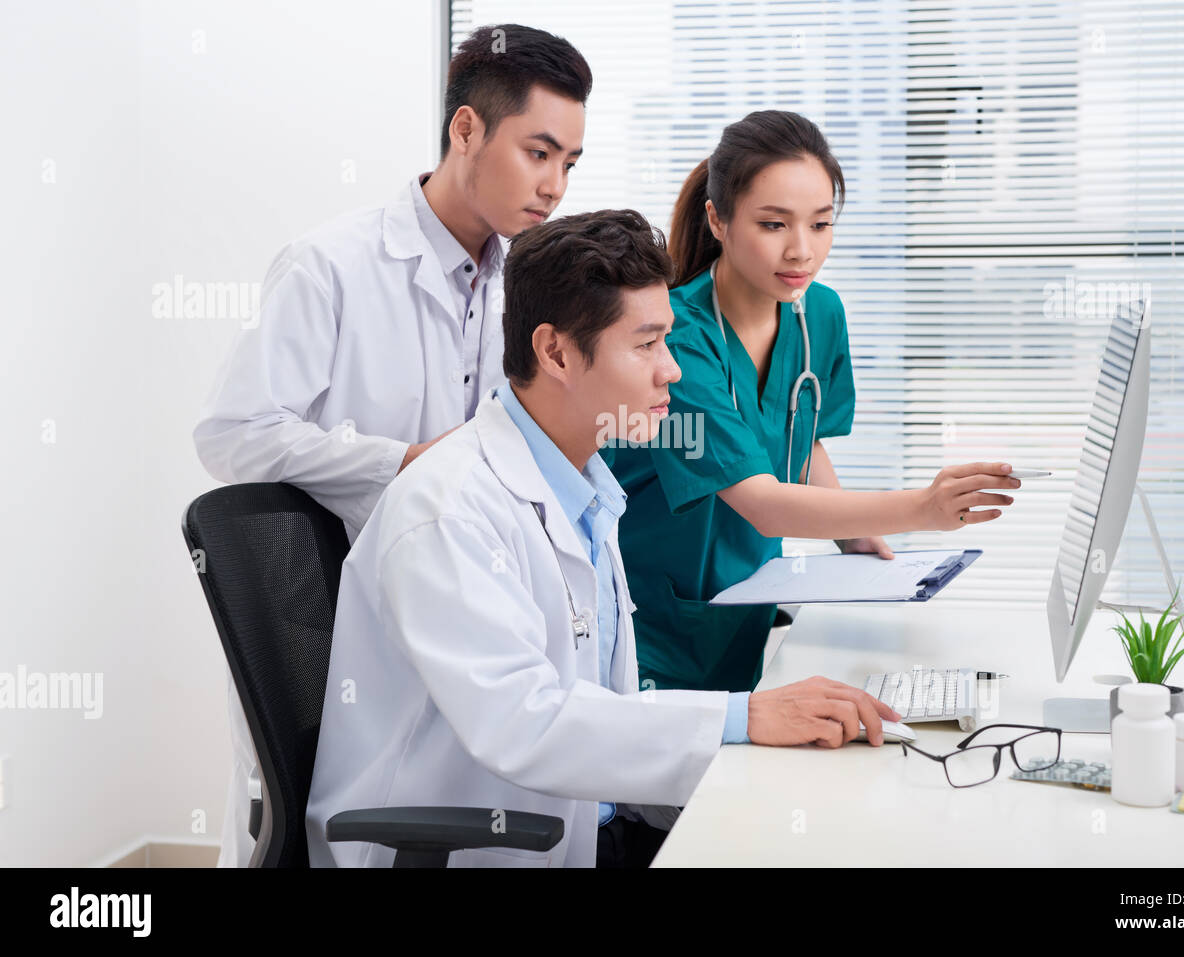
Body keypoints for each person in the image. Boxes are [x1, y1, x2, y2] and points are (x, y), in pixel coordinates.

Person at [305, 209, 902, 868]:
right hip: (460, 850)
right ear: (556, 352)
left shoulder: (584, 488)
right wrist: (744, 717)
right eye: (646, 345)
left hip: (583, 825)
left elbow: (600, 708)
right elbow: (526, 723)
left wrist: (749, 726)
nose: (671, 371)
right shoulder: (448, 512)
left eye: (668, 341)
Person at [191, 23, 592, 867]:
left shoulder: (525, 282)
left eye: (570, 163)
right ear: (467, 130)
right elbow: (233, 435)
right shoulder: (331, 266)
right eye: (539, 152)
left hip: (462, 613)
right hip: (331, 629)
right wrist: (401, 462)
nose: (555, 185)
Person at [604, 111, 1020, 694]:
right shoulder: (676, 337)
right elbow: (764, 503)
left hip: (743, 613)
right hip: (658, 628)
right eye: (774, 224)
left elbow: (801, 438)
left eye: (821, 224)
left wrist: (848, 532)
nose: (802, 250)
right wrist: (922, 509)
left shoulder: (818, 313)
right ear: (718, 220)